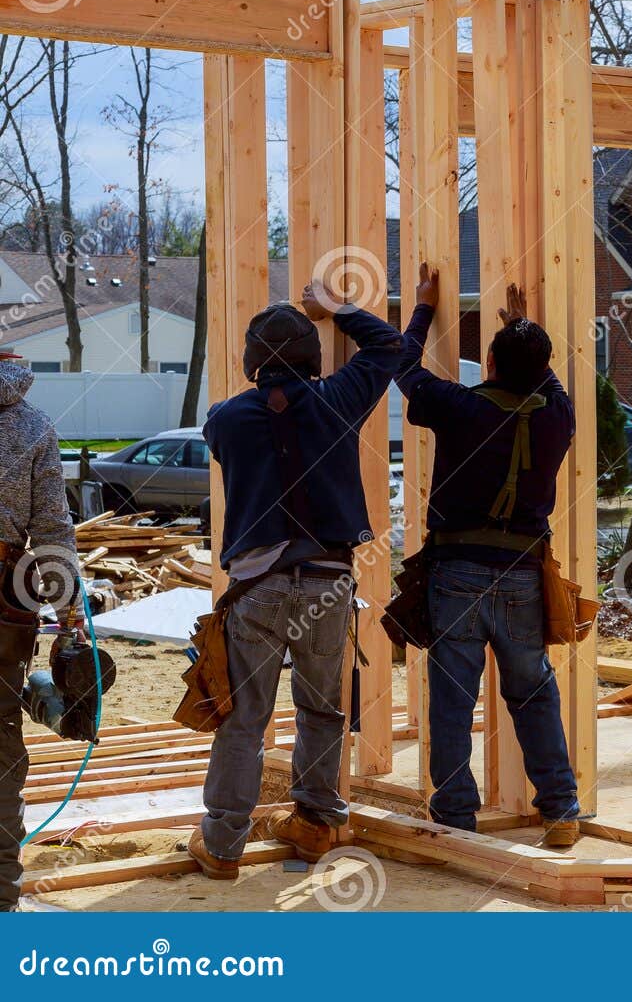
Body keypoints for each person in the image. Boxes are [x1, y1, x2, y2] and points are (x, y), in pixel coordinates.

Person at [188, 280, 402, 879]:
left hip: (258, 588)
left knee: (245, 720)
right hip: (328, 583)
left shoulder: (223, 421)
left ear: (253, 363)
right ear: (312, 355)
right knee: (322, 710)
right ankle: (315, 823)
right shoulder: (338, 398)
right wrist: (338, 307)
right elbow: (388, 349)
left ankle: (224, 844)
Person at [395, 264, 582, 846]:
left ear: (492, 366)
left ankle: (455, 819)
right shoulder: (557, 416)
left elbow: (402, 369)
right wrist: (523, 328)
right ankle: (561, 811)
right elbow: (546, 380)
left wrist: (424, 307)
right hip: (522, 575)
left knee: (452, 700)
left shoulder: (461, 406)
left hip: (456, 574)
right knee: (534, 695)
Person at [0, 349, 80, 912]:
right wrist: (69, 603)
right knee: (1, 739)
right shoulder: (32, 425)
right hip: (5, 600)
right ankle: (2, 886)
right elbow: (51, 526)